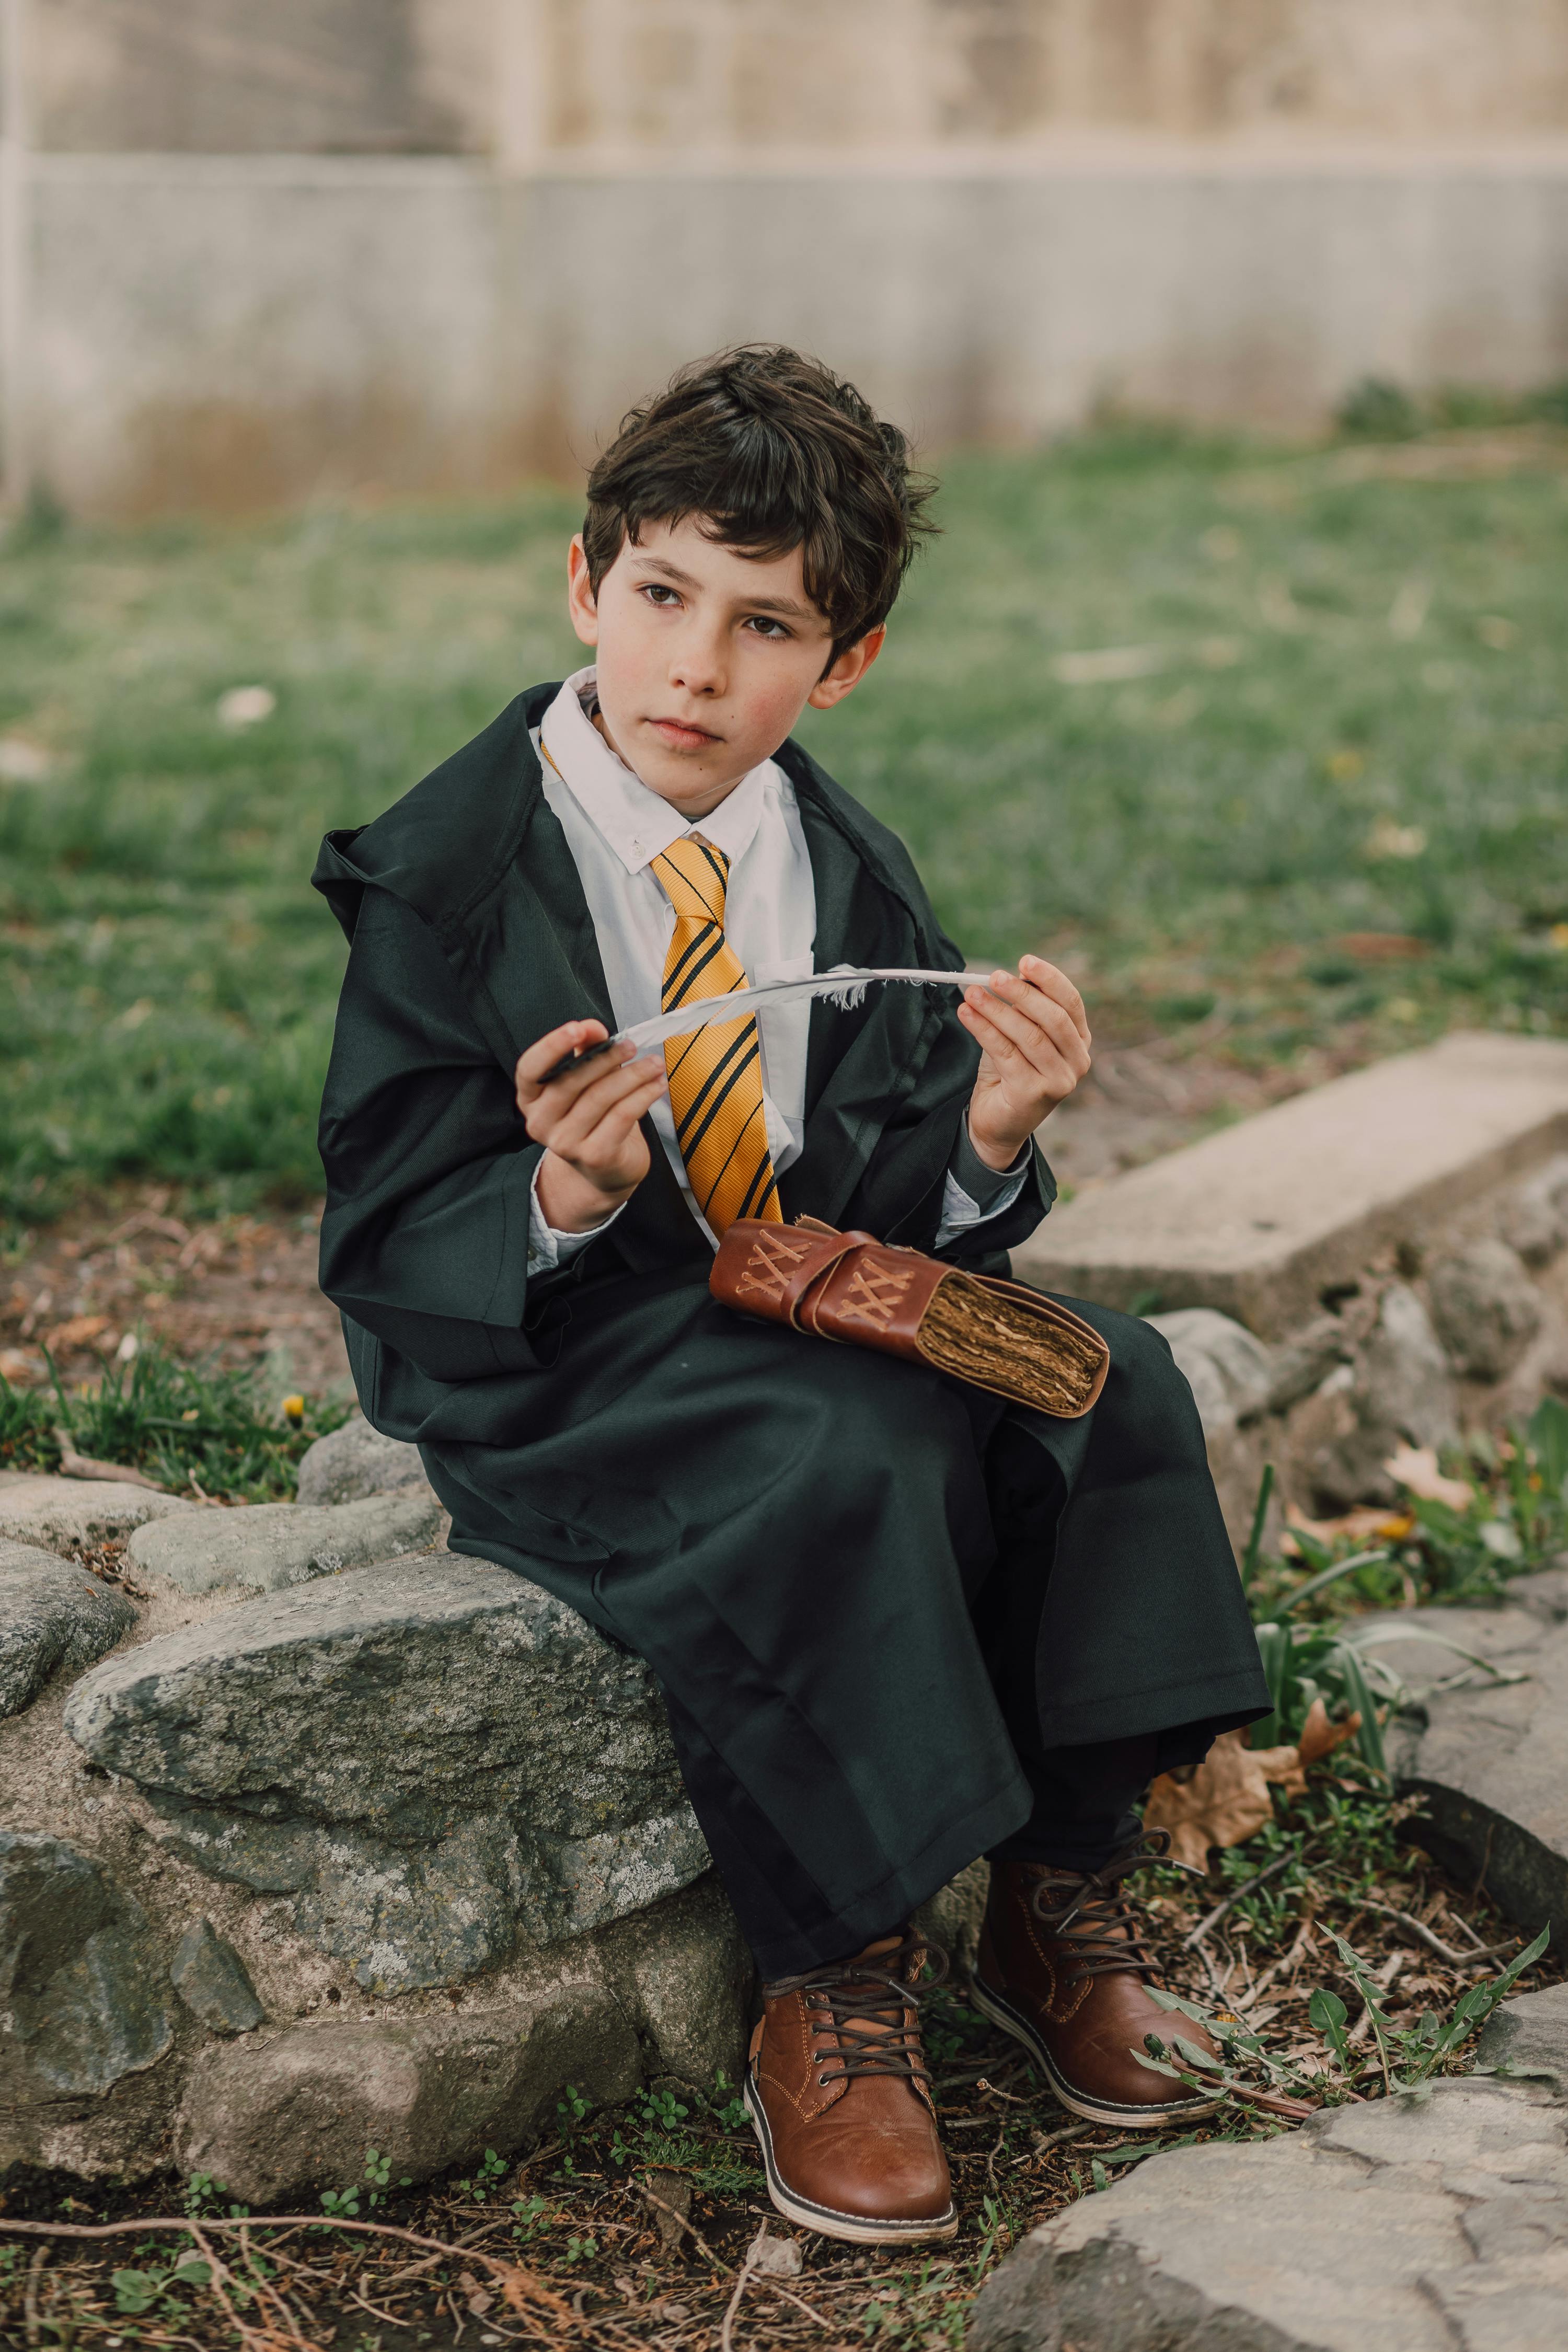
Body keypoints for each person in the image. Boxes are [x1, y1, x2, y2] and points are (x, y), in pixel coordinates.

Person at [313, 345, 1271, 2247]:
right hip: (565, 1366)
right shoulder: (453, 877)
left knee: (1110, 1375)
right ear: (584, 584)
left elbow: (904, 1204)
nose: (694, 666)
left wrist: (990, 1126)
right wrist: (561, 1186)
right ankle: (830, 1973)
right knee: (840, 1450)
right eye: (662, 596)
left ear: (844, 664)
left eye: (765, 628)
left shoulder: (833, 862)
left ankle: (1058, 1887)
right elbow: (390, 1211)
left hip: (794, 1310)